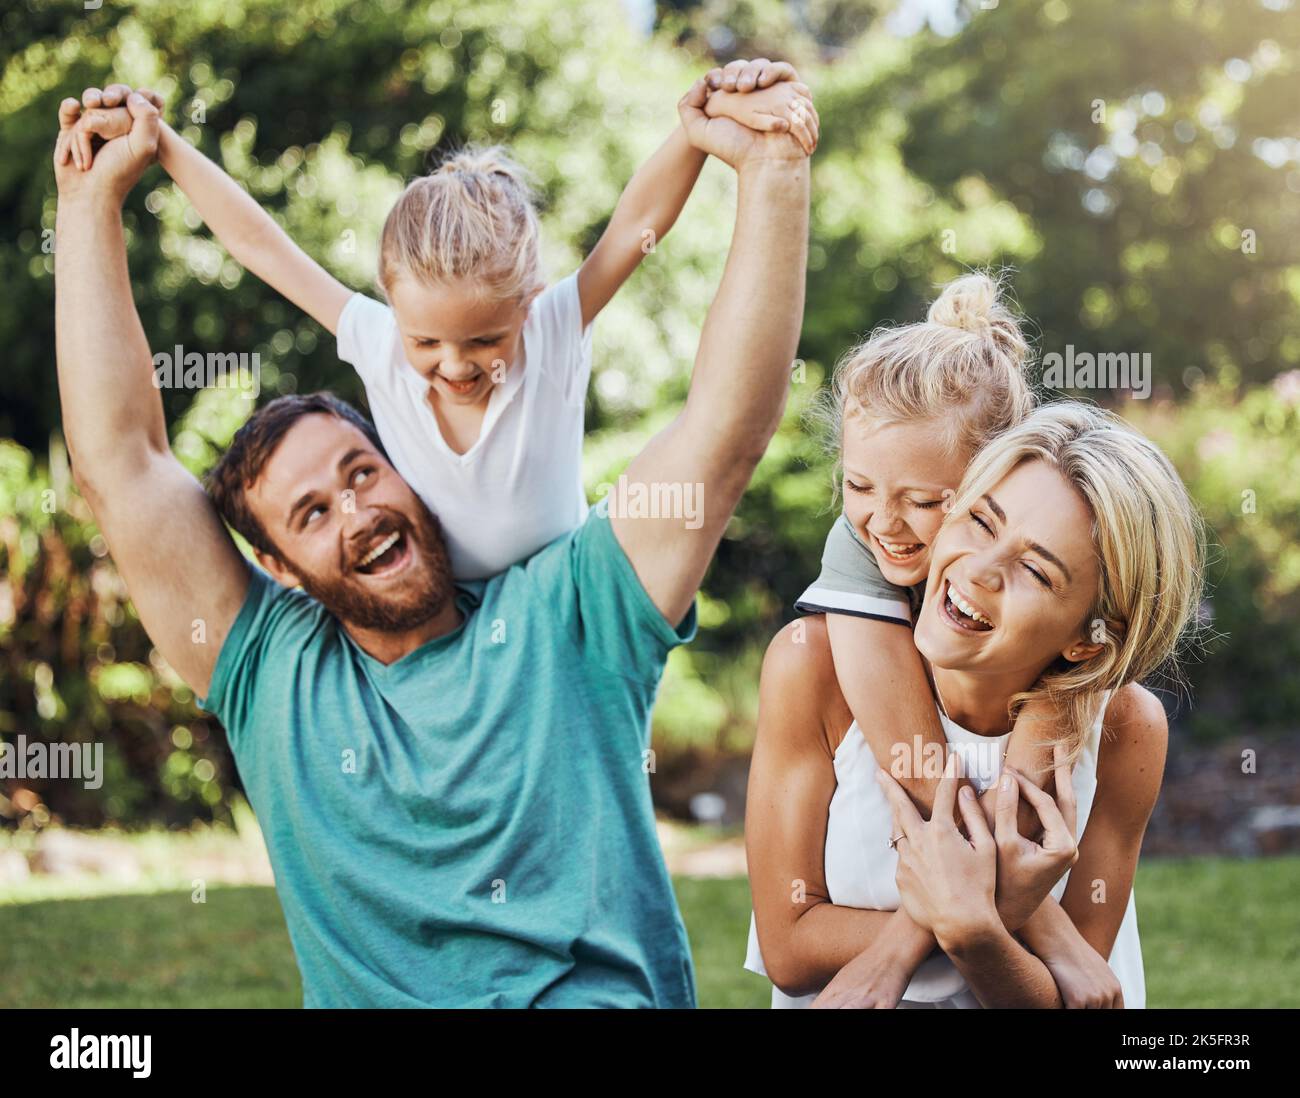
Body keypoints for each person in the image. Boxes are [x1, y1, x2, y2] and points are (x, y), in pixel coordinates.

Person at [52, 60, 812, 1007]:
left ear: (403, 465)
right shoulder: (270, 673)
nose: (358, 509)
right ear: (274, 567)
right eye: (312, 514)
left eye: (361, 472)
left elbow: (724, 433)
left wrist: (773, 170)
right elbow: (119, 464)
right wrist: (89, 199)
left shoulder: (574, 614)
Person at [64, 66, 815, 579]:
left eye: (485, 340)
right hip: (445, 606)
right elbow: (262, 245)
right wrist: (163, 146)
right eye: (427, 340)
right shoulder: (376, 342)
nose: (455, 364)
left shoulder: (553, 329)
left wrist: (694, 128)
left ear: (529, 302)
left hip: (564, 585)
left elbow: (633, 228)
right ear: (394, 307)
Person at [745, 400, 1206, 1007]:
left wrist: (969, 934)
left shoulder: (1125, 725)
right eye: (982, 523)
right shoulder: (814, 666)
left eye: (1037, 572)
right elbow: (791, 947)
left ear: (1086, 639)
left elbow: (1079, 995)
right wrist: (999, 913)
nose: (979, 571)